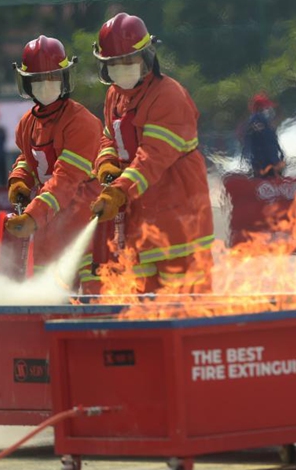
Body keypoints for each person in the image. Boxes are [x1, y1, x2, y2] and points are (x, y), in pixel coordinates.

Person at [89, 12, 214, 294]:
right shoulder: (115, 95)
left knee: (185, 301)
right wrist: (107, 164)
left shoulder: (169, 95)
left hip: (179, 213)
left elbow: (153, 157)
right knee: (142, 298)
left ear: (146, 57)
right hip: (140, 213)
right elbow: (109, 138)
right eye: (113, 64)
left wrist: (120, 190)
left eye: (127, 61)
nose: (121, 69)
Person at [3, 35, 102, 292]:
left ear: (64, 79)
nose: (45, 86)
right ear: (27, 83)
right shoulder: (27, 123)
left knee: (93, 303)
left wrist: (33, 216)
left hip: (83, 221)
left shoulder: (82, 122)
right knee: (47, 299)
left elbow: (66, 179)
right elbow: (28, 158)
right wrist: (19, 180)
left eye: (52, 78)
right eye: (37, 80)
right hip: (48, 226)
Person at [242, 93, 286, 178]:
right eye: (266, 107)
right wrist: (274, 160)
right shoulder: (257, 120)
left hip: (264, 161)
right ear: (260, 107)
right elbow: (265, 141)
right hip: (264, 162)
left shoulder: (262, 120)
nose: (268, 109)